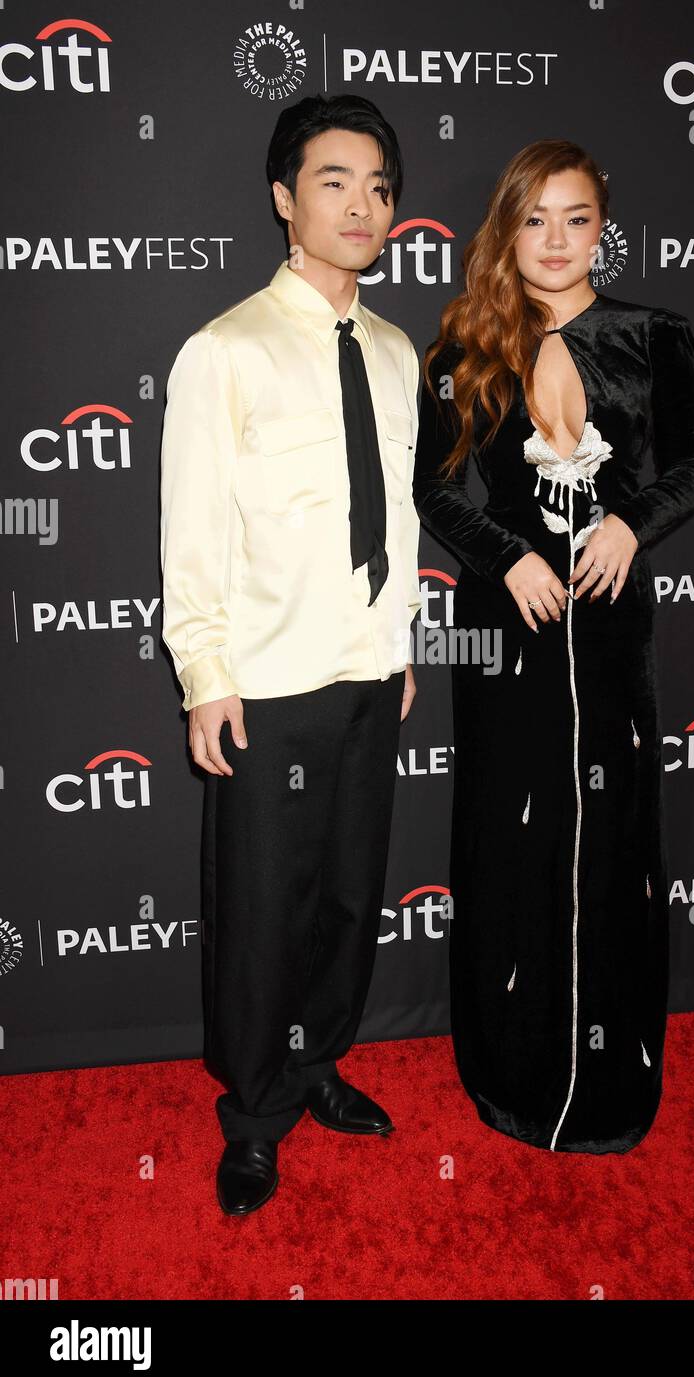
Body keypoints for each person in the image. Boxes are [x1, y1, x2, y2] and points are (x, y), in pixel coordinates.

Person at [413, 139, 694, 1154]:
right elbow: (436, 491)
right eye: (533, 218)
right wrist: (506, 559)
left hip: (612, 617)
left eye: (574, 218)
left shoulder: (651, 335)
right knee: (511, 836)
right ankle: (513, 1073)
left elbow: (691, 469)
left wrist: (632, 523)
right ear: (508, 227)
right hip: (508, 626)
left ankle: (612, 1084)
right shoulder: (463, 349)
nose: (554, 240)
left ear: (602, 226)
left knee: (614, 837)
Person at [159, 94, 421, 1214]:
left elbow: (395, 515)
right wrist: (204, 675)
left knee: (349, 900)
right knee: (265, 912)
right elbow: (191, 529)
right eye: (334, 182)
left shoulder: (401, 348)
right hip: (267, 684)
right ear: (283, 198)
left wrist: (398, 644)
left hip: (369, 673)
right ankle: (255, 1112)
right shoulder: (224, 349)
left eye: (378, 187)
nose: (362, 207)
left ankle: (318, 1066)